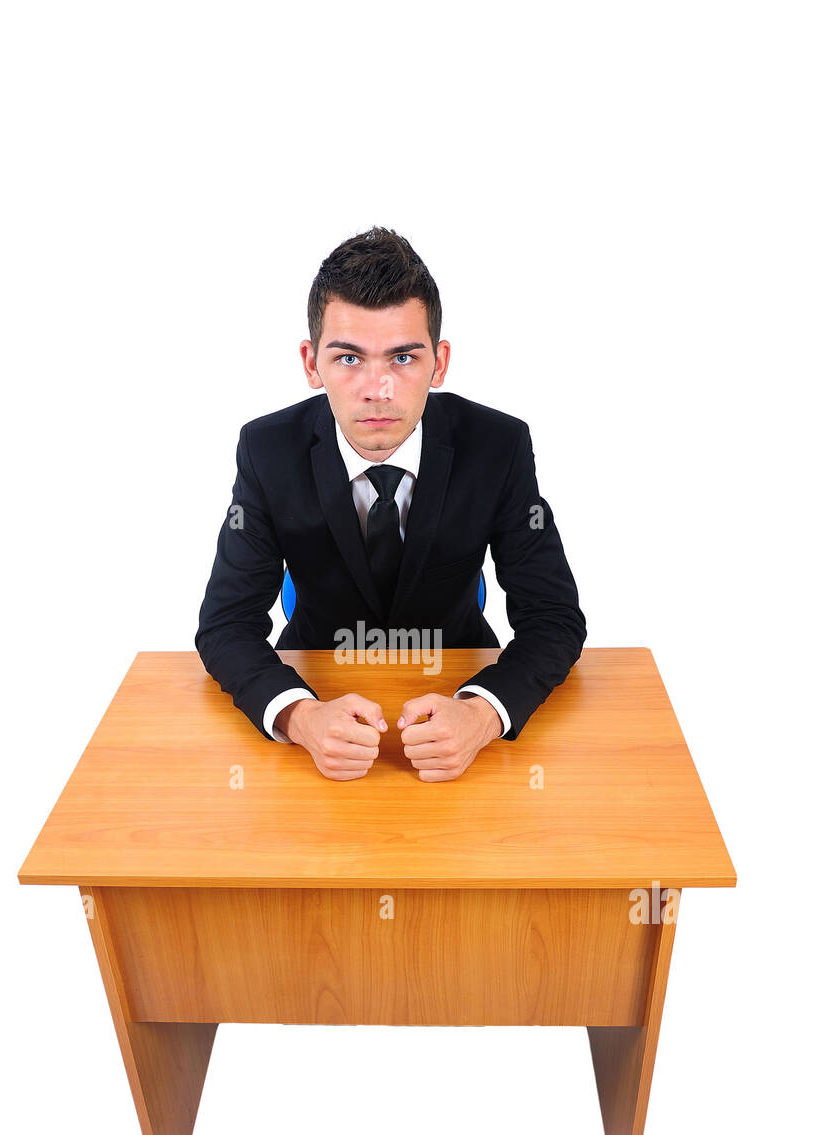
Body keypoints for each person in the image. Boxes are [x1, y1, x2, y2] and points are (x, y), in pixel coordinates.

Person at [195, 226, 586, 782]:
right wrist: (300, 717)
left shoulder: (498, 447)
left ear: (439, 362)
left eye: (402, 358)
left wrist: (482, 714)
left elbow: (553, 617)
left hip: (454, 681)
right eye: (349, 358)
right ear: (311, 364)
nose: (377, 389)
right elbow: (225, 624)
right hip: (317, 682)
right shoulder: (267, 451)